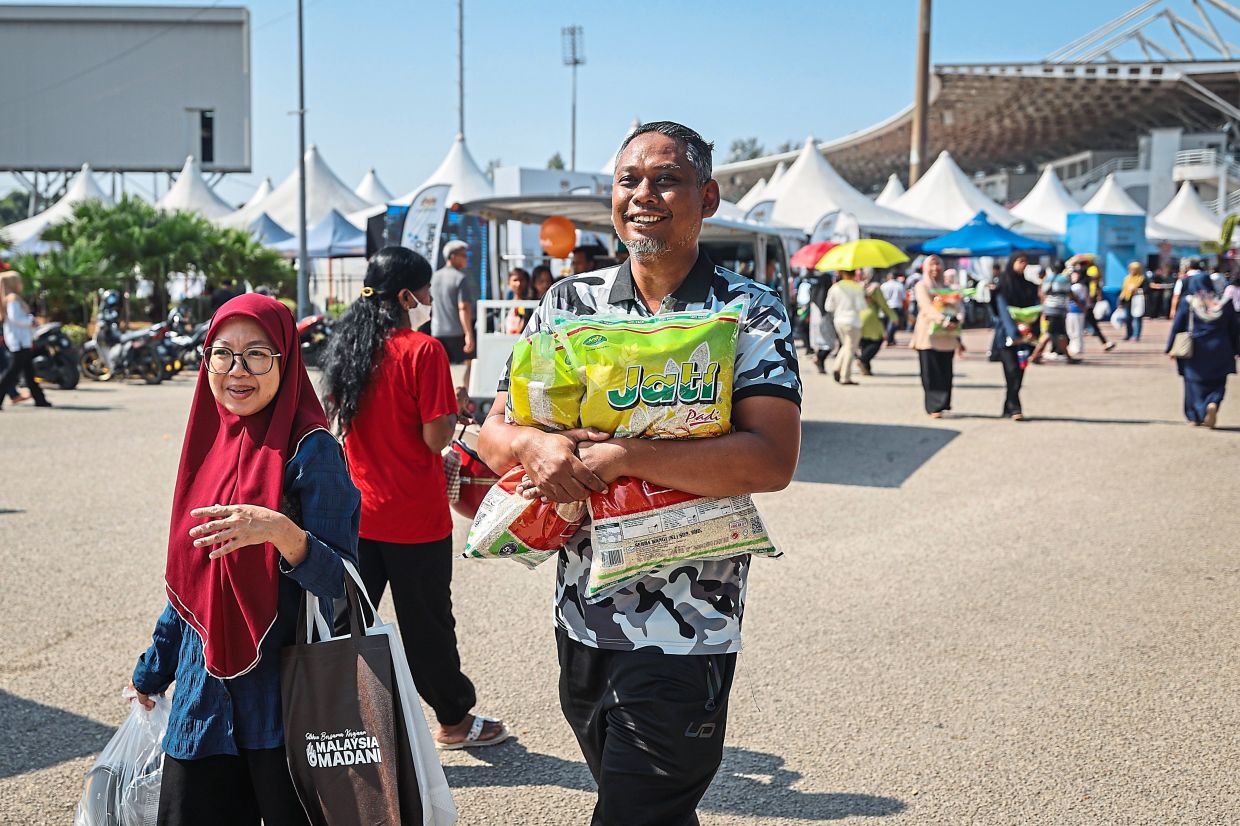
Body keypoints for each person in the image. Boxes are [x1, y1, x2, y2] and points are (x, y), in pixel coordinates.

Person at [478, 121, 802, 826]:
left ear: (707, 197)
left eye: (667, 180)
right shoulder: (568, 304)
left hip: (688, 628)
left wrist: (626, 456)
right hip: (581, 616)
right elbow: (494, 432)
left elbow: (772, 458)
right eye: (629, 180)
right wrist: (533, 446)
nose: (643, 194)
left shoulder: (747, 310)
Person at [129, 293, 360, 825]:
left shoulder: (312, 451)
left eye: (257, 354)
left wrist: (279, 532)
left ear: (286, 359)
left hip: (283, 705)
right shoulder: (207, 444)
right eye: (222, 354)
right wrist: (153, 670)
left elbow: (343, 582)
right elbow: (193, 582)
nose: (238, 371)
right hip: (202, 702)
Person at [320, 247, 508, 750]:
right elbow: (434, 438)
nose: (428, 298)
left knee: (347, 623)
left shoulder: (349, 347)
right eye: (424, 291)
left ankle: (330, 722)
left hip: (358, 515)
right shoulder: (423, 351)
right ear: (406, 296)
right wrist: (449, 409)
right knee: (427, 626)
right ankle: (454, 721)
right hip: (414, 518)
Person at [1167, 271, 1240, 428]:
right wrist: (1237, 349)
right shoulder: (1225, 303)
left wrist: (1170, 348)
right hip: (1221, 348)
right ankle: (1213, 402)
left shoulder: (1188, 302)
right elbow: (1234, 329)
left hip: (1196, 349)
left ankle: (1194, 416)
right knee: (1218, 382)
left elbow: (1177, 326)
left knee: (1193, 384)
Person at [910, 255, 962, 417]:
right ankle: (934, 406)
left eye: (938, 264)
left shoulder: (948, 288)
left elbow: (958, 306)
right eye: (932, 265)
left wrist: (958, 319)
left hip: (947, 335)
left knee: (946, 369)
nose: (935, 268)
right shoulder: (921, 286)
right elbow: (925, 306)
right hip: (928, 334)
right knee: (930, 371)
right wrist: (942, 320)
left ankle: (943, 401)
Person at [991, 253, 1040, 420]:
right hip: (1007, 336)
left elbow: (1036, 308)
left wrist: (1032, 329)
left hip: (1026, 337)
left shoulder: (1030, 286)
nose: (1023, 265)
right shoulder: (1003, 286)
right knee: (1011, 370)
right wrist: (1014, 332)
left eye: (1025, 261)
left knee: (1019, 372)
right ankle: (1015, 408)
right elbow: (1002, 310)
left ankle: (1009, 406)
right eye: (1020, 261)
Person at [0, 273, 51, 410]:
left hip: (22, 341)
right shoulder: (12, 299)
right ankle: (39, 398)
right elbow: (16, 318)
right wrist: (31, 321)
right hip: (19, 343)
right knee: (12, 372)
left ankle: (39, 399)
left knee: (28, 372)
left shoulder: (11, 299)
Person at [430, 239, 478, 365]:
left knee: (442, 368)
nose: (466, 259)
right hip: (457, 333)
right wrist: (468, 334)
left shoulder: (433, 277)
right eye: (464, 255)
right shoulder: (460, 278)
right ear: (453, 256)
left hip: (436, 332)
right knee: (469, 366)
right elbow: (464, 307)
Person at [1030, 264, 1084, 364]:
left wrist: (1044, 307)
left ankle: (1068, 358)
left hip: (1049, 308)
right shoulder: (1064, 279)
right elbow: (1070, 294)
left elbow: (1042, 293)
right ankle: (1034, 356)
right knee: (1050, 334)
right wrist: (1080, 305)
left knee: (1060, 334)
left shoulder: (1048, 279)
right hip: (1058, 310)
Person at [824, 269, 866, 384]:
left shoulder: (835, 287)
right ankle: (845, 376)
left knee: (846, 345)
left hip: (839, 320)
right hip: (853, 321)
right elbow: (861, 306)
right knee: (850, 348)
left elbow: (828, 307)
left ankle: (837, 367)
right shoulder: (857, 287)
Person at [857, 275, 897, 376]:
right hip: (872, 317)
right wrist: (893, 317)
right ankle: (862, 360)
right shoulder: (874, 289)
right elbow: (883, 305)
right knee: (877, 341)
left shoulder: (856, 287)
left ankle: (866, 368)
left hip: (858, 316)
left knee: (865, 342)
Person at [808, 275, 836, 373]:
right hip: (824, 317)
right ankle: (819, 359)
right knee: (830, 344)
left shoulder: (814, 293)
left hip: (815, 318)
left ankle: (821, 364)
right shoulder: (826, 293)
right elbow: (827, 306)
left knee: (821, 345)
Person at [1119, 261, 1148, 342]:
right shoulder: (1127, 278)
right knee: (1127, 318)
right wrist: (1121, 301)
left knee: (1137, 318)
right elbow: (1123, 290)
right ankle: (1129, 334)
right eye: (1130, 269)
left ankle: (1136, 335)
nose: (1132, 271)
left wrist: (1137, 290)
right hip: (1127, 301)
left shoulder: (1142, 278)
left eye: (1134, 269)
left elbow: (1146, 289)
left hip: (1137, 300)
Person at [880, 270, 906, 345]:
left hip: (886, 306)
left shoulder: (884, 285)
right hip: (896, 305)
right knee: (893, 324)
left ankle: (889, 339)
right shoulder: (900, 285)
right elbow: (903, 297)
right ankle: (888, 339)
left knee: (887, 323)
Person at [506, 267, 533, 334]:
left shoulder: (531, 304)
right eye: (515, 280)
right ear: (509, 282)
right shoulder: (505, 303)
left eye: (521, 280)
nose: (518, 283)